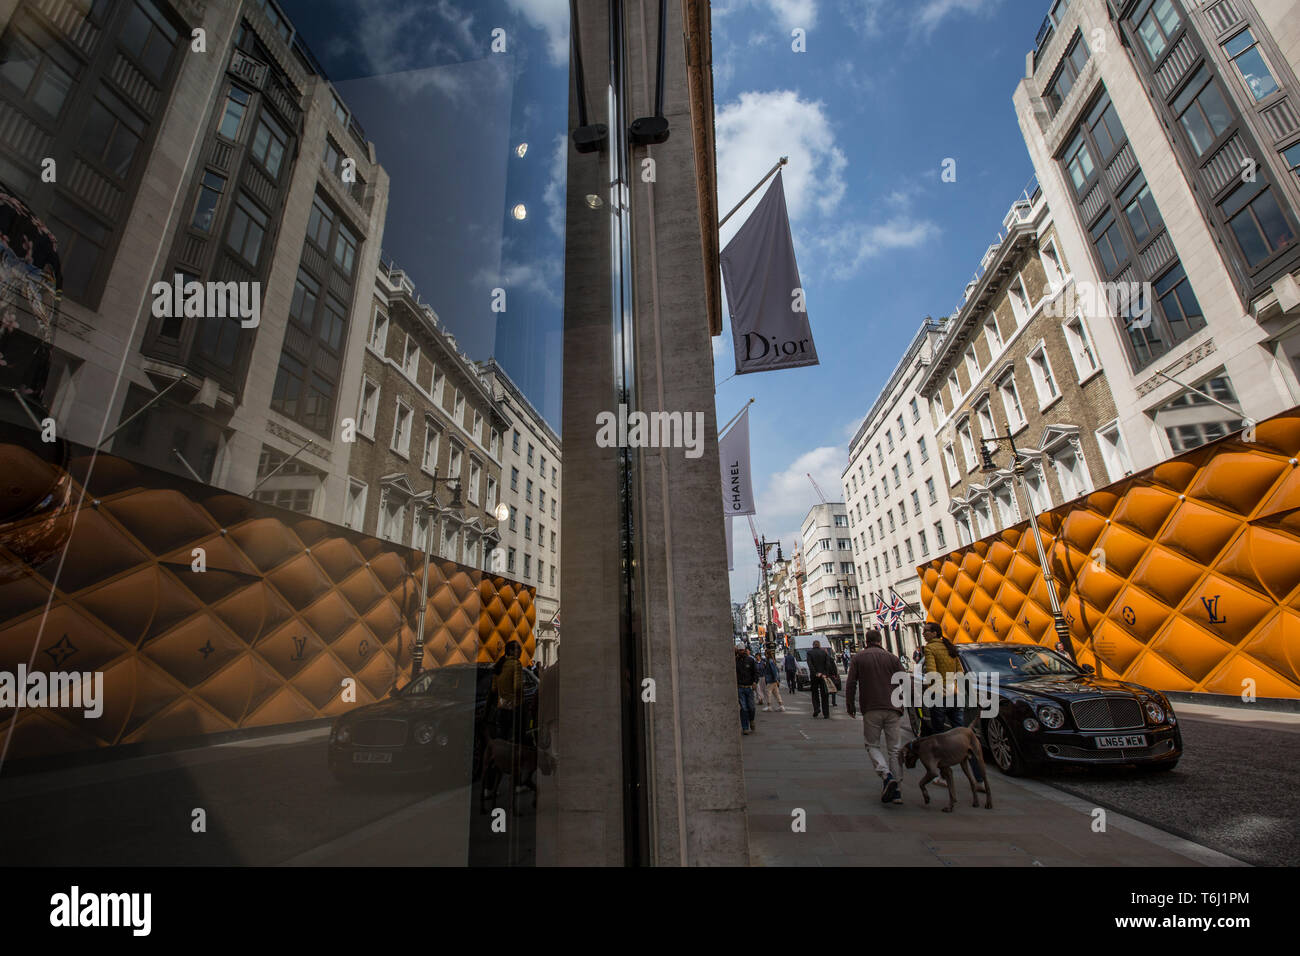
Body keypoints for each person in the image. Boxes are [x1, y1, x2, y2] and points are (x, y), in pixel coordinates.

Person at [919, 621, 985, 788]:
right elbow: (960, 673)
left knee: (939, 738)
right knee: (964, 736)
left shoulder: (930, 648)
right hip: (955, 696)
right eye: (924, 631)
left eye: (927, 631)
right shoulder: (950, 647)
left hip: (940, 697)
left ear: (935, 633)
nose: (924, 633)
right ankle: (979, 780)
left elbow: (932, 672)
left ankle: (943, 777)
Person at [845, 629, 905, 804]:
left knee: (872, 745)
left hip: (871, 707)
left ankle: (886, 774)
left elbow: (850, 684)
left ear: (866, 641)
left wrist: (850, 705)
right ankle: (898, 791)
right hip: (893, 707)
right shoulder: (892, 658)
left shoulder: (858, 658)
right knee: (895, 749)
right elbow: (904, 680)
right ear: (880, 641)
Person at [494, 640, 525, 742]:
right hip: (514, 707)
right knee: (516, 737)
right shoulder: (516, 664)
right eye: (518, 649)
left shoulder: (500, 665)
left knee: (502, 736)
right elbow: (518, 687)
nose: (520, 651)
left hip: (501, 706)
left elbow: (494, 688)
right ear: (511, 651)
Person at [806, 639, 833, 719]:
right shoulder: (824, 653)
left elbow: (810, 664)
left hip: (814, 676)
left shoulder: (810, 653)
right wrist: (824, 673)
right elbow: (828, 664)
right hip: (823, 676)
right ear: (819, 645)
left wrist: (816, 673)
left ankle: (816, 708)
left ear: (813, 645)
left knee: (815, 693)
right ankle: (826, 713)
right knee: (824, 694)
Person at [736, 645, 758, 735]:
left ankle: (751, 720)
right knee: (743, 708)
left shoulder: (750, 660)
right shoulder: (736, 661)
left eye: (742, 650)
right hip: (740, 687)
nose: (741, 652)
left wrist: (755, 682)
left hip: (749, 687)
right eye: (739, 650)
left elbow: (755, 673)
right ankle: (745, 727)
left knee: (751, 707)